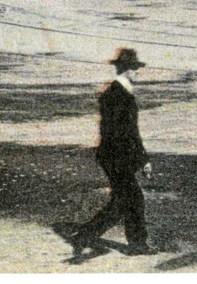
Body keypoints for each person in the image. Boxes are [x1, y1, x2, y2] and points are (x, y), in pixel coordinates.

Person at [64, 47, 154, 255]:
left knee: (124, 200)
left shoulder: (114, 92)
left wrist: (138, 159)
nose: (138, 72)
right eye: (135, 68)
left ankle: (88, 234)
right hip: (116, 156)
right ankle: (136, 245)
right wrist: (141, 160)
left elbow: (123, 131)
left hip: (112, 154)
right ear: (128, 69)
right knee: (132, 199)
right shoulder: (119, 94)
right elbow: (128, 132)